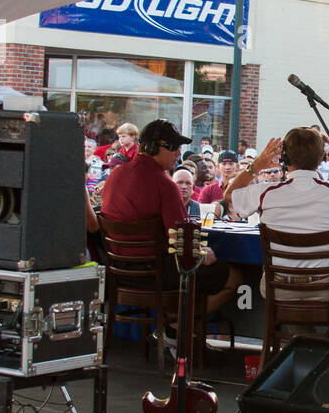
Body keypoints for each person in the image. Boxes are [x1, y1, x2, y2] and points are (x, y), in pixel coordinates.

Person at [226, 127, 329, 337]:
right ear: (323, 158)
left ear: (284, 157)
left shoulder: (266, 192)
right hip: (328, 286)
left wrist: (258, 164)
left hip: (277, 287)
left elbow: (229, 195)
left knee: (294, 299)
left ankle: (306, 345)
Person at [100, 119, 242, 325]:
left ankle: (174, 325)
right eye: (173, 147)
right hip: (156, 275)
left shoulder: (116, 175)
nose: (178, 153)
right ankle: (177, 328)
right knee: (234, 277)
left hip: (117, 273)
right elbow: (183, 240)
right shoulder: (165, 184)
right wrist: (205, 253)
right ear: (151, 146)